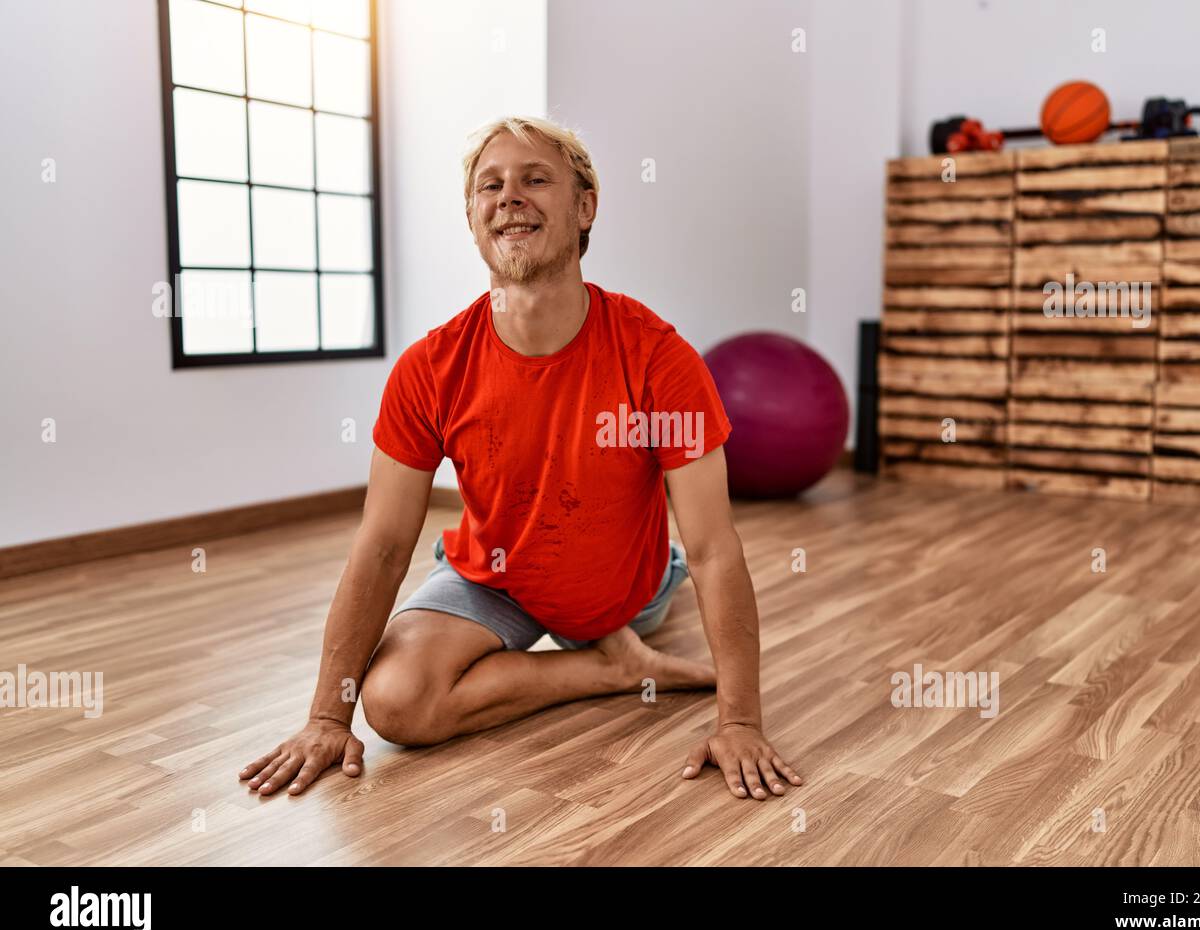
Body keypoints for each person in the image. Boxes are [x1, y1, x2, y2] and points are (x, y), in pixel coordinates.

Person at [238, 116, 803, 802]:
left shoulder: (659, 357)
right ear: (474, 219)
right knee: (395, 703)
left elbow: (715, 545)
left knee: (672, 571)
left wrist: (740, 719)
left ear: (584, 206)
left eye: (536, 179)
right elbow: (384, 544)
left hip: (623, 587)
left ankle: (617, 641)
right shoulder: (430, 367)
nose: (511, 196)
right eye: (491, 185)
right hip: (491, 576)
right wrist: (328, 717)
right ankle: (611, 670)